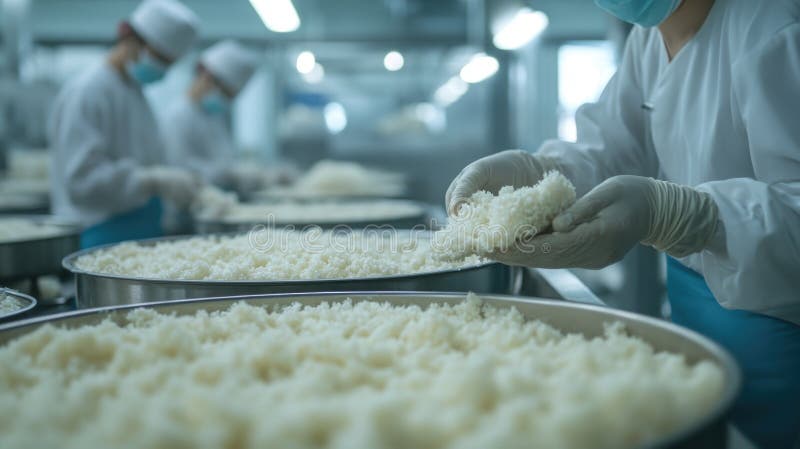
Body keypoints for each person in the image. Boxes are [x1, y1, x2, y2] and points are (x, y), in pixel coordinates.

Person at [446, 0, 800, 447]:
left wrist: (686, 215)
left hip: (780, 331)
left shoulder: (773, 26)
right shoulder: (649, 40)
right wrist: (541, 173)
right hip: (699, 313)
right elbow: (609, 148)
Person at [49, 0, 200, 248]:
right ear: (128, 36)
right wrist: (150, 180)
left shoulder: (135, 93)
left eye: (169, 63)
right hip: (99, 233)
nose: (162, 68)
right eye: (158, 57)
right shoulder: (89, 91)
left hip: (139, 228)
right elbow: (81, 183)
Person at [163, 39, 265, 193]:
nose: (226, 100)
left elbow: (224, 161)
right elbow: (179, 170)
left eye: (231, 96)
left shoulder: (212, 117)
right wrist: (228, 174)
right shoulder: (177, 116)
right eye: (225, 93)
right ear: (207, 77)